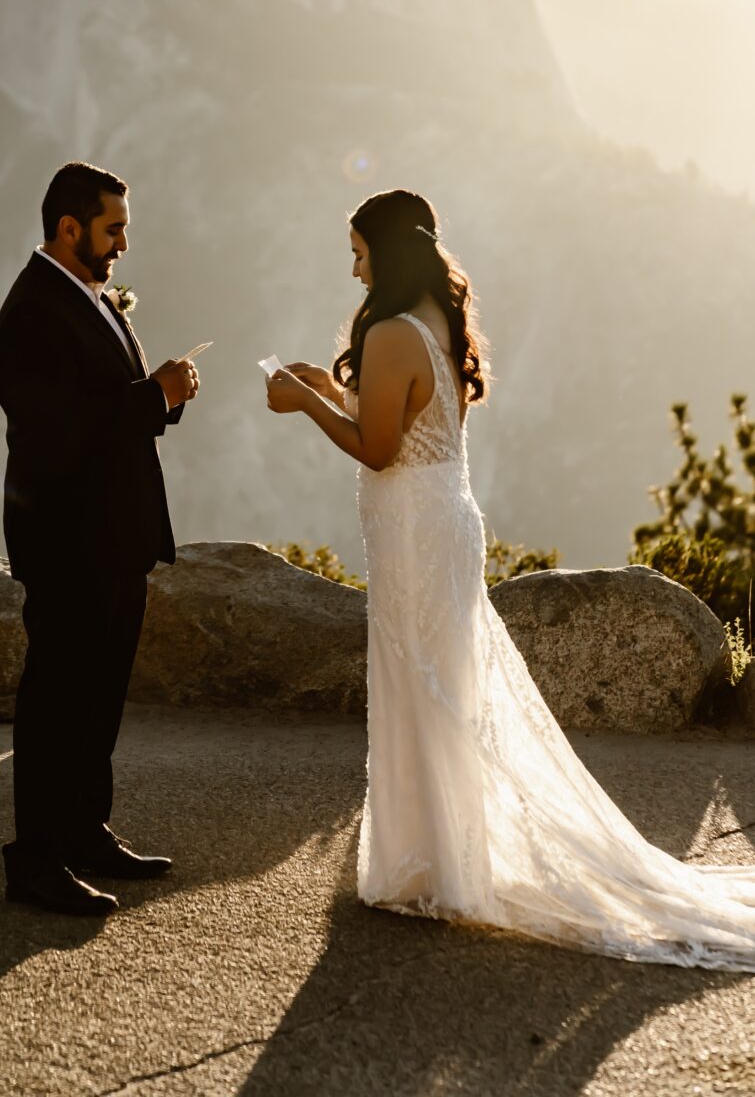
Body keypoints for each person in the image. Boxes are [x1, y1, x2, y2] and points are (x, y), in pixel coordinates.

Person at [265, 186, 755, 970]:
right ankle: (434, 864)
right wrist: (329, 389)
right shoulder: (433, 321)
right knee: (437, 687)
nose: (352, 268)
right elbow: (401, 415)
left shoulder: (390, 331)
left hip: (416, 530)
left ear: (381, 251)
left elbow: (378, 447)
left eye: (357, 251)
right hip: (438, 519)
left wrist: (302, 403)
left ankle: (430, 870)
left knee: (425, 685)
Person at [0, 161, 199, 916]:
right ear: (68, 227)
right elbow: (58, 433)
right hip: (68, 543)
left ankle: (84, 830)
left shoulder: (85, 298)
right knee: (55, 701)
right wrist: (156, 396)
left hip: (113, 541)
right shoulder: (33, 311)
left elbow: (103, 405)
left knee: (98, 696)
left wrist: (159, 399)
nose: (121, 246)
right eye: (112, 230)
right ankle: (34, 860)